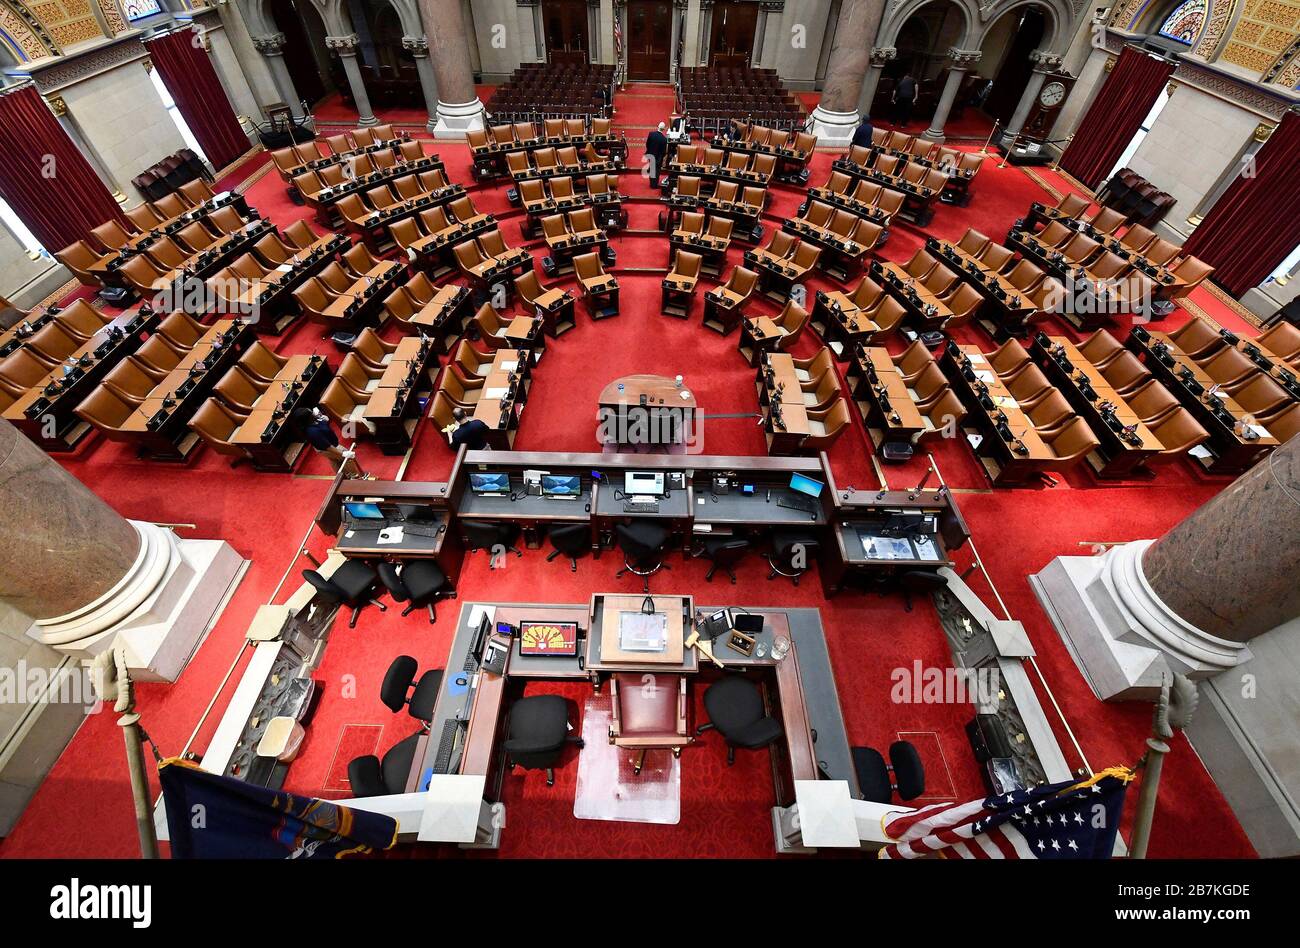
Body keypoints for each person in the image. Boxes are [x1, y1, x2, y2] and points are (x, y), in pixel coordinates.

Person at [291, 406, 347, 470]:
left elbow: (324, 428)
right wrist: (343, 453)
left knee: (335, 460)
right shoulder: (313, 432)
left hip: (328, 444)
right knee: (347, 459)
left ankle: (341, 476)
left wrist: (325, 420)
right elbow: (328, 447)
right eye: (311, 412)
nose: (313, 413)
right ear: (308, 418)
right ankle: (353, 476)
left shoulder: (314, 420)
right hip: (330, 448)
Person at [645, 121, 669, 190]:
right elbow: (664, 151)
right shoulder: (664, 139)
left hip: (650, 154)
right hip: (658, 158)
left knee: (652, 168)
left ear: (658, 127)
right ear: (663, 129)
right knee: (657, 171)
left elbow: (647, 144)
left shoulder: (651, 134)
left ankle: (652, 183)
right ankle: (654, 185)